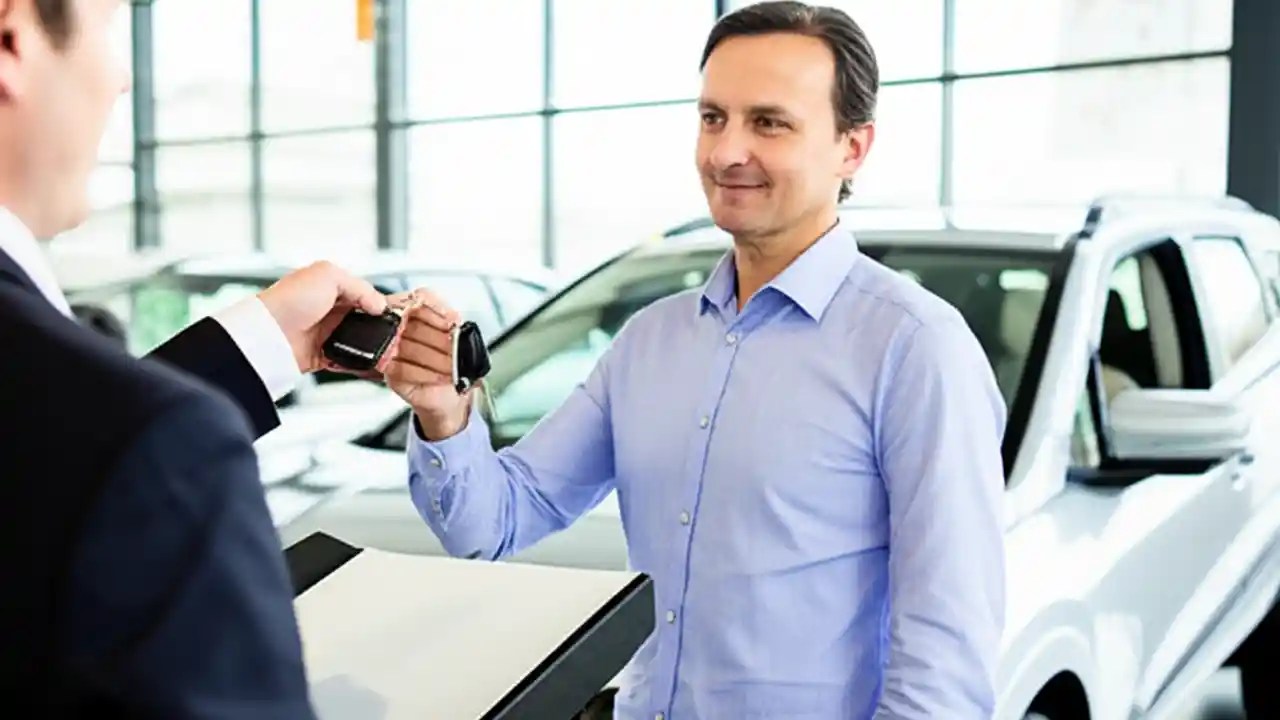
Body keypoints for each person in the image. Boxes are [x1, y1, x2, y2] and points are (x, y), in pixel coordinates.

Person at [386, 2, 1006, 718]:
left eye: (768, 123)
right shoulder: (651, 340)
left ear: (852, 148)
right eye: (714, 117)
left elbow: (946, 655)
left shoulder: (916, 348)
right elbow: (494, 523)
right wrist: (443, 414)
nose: (725, 152)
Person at [0, 1, 386, 716]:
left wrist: (257, 345)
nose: (119, 79)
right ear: (12, 38)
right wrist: (168, 432)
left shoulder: (114, 435)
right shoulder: (154, 447)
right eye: (107, 26)